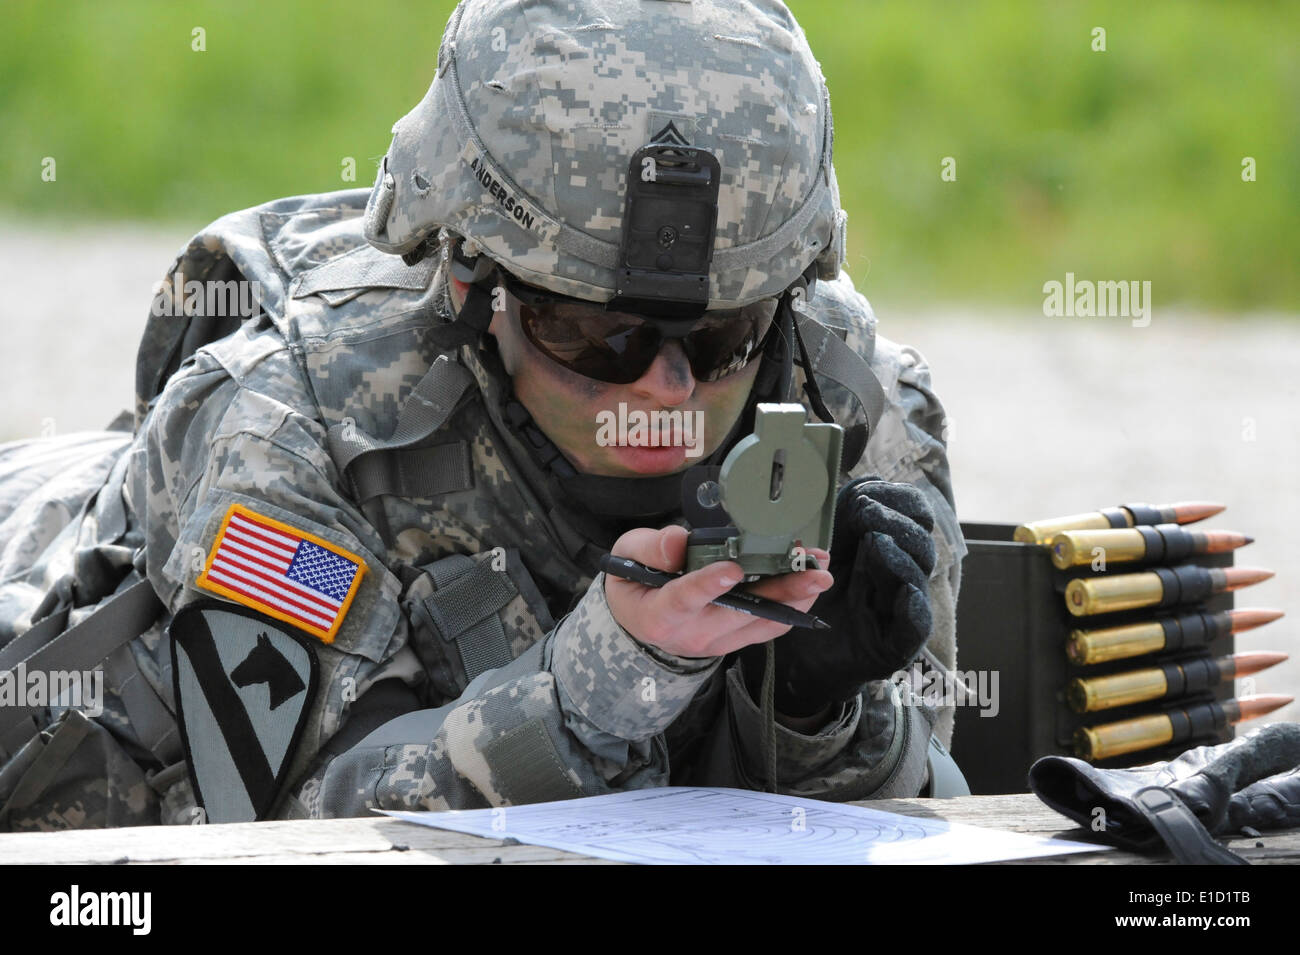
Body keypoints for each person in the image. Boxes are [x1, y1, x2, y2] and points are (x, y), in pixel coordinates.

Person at [0, 0, 966, 829]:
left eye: (724, 338)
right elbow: (304, 825)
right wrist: (604, 684)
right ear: (471, 290)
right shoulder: (296, 429)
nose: (667, 390)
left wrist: (812, 711)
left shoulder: (855, 405)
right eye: (596, 336)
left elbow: (940, 816)